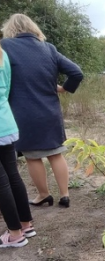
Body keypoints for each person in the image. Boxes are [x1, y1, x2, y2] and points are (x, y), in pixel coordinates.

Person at [1, 13, 84, 208]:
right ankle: (65, 195)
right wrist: (64, 88)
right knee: (56, 153)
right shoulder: (49, 48)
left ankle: (44, 194)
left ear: (10, 29)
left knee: (33, 156)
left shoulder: (5, 46)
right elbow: (76, 73)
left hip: (24, 113)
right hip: (50, 112)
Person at [0, 42, 36, 248]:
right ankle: (25, 224)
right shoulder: (2, 54)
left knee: (2, 181)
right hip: (6, 121)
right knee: (12, 175)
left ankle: (15, 234)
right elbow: (5, 92)